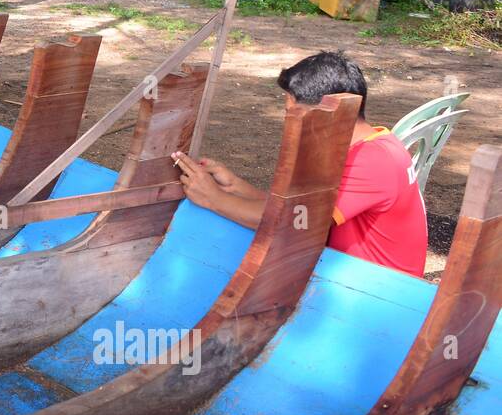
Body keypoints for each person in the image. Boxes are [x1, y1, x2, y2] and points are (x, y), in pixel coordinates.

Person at [171, 51, 428, 277]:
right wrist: (237, 189)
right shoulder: (372, 145)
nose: (288, 124)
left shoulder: (370, 162)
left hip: (379, 291)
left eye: (292, 114)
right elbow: (301, 209)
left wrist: (213, 198)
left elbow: (290, 223)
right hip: (360, 274)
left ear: (326, 112)